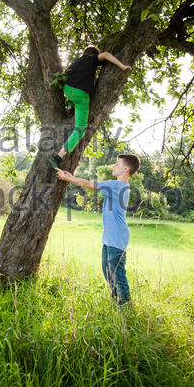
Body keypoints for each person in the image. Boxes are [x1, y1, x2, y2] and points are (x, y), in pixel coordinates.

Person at [55, 154, 140, 306]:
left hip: (117, 237)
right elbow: (88, 183)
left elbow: (88, 184)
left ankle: (125, 306)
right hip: (110, 237)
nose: (114, 166)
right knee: (107, 271)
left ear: (126, 169)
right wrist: (72, 177)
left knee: (117, 273)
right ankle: (116, 301)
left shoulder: (117, 186)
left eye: (117, 164)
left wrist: (68, 178)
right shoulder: (119, 186)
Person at [49, 46, 131, 169]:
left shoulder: (77, 61)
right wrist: (122, 66)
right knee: (81, 129)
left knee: (75, 91)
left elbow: (67, 75)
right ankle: (58, 156)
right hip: (81, 94)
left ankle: (69, 107)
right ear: (93, 55)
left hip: (68, 90)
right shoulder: (91, 60)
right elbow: (107, 54)